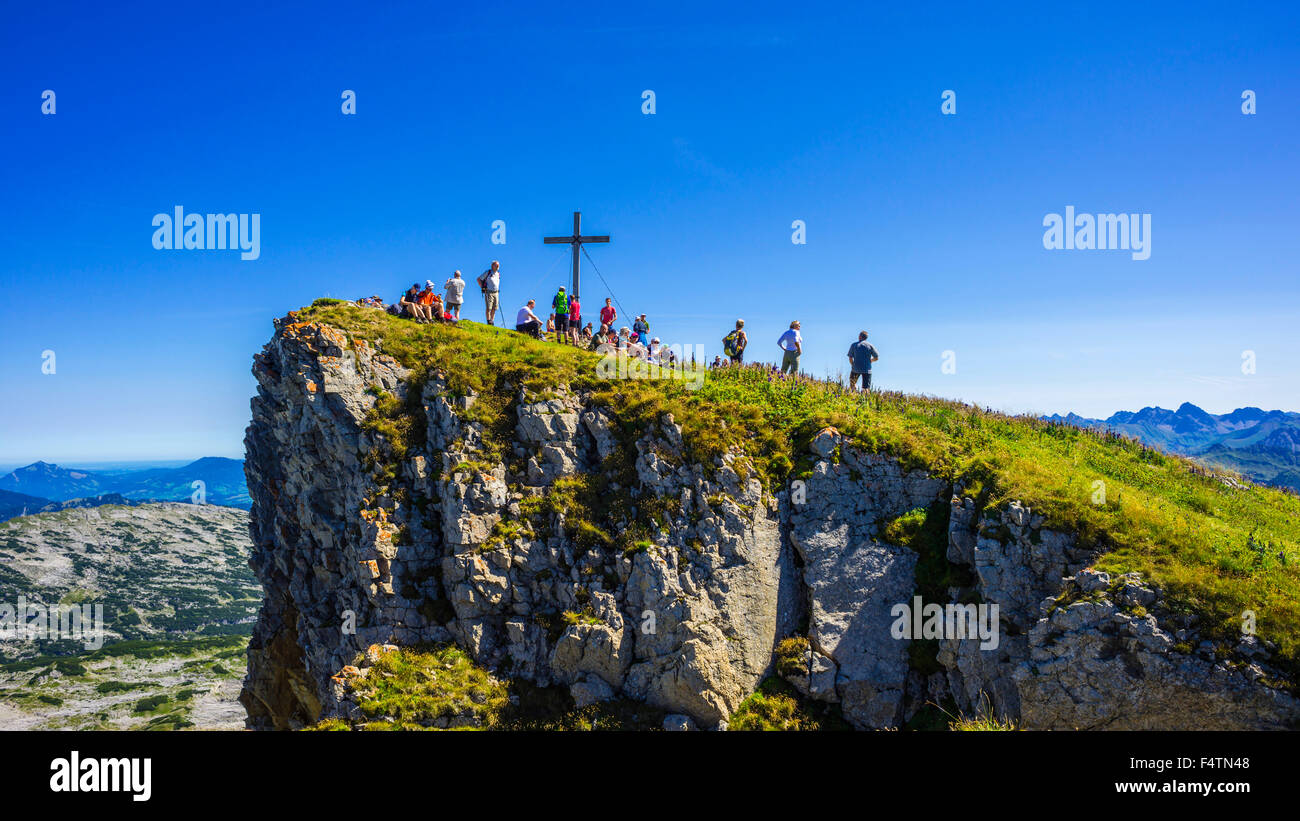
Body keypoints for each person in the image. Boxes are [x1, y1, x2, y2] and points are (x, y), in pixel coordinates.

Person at [477, 261, 501, 325]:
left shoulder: (498, 273)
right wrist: (483, 287)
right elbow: (478, 279)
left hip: (496, 292)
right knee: (489, 307)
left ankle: (492, 321)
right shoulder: (488, 272)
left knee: (494, 308)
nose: (498, 267)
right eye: (496, 265)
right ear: (492, 266)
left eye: (498, 265)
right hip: (489, 292)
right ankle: (488, 321)